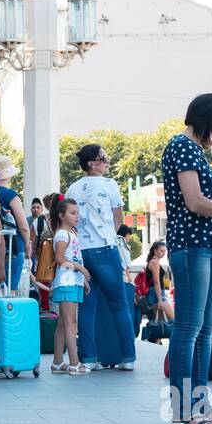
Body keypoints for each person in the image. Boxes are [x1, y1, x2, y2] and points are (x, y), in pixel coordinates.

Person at [162, 94, 212, 424]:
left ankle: (200, 403)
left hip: (207, 246)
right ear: (208, 122)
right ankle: (183, 408)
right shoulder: (182, 147)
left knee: (206, 329)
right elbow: (195, 201)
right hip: (191, 245)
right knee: (189, 327)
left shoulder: (194, 151)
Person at [65, 144, 137, 371]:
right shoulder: (110, 184)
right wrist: (106, 233)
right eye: (103, 158)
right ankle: (128, 357)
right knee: (119, 304)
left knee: (87, 307)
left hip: (83, 251)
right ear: (91, 163)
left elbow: (70, 221)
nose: (107, 161)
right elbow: (118, 218)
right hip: (106, 249)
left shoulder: (73, 188)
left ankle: (89, 358)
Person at [47, 197, 91, 375]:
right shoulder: (62, 234)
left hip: (72, 282)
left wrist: (83, 279)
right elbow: (60, 259)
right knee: (71, 323)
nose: (77, 216)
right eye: (72, 213)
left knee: (63, 324)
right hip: (66, 283)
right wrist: (80, 268)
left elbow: (71, 258)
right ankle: (74, 363)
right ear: (61, 215)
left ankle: (58, 362)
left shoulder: (70, 233)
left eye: (77, 213)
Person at [0, 154, 31, 292]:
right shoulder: (11, 195)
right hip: (13, 246)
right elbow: (23, 226)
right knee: (10, 293)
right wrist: (27, 244)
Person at [28, 198, 47, 273]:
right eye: (33, 207)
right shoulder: (26, 220)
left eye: (38, 207)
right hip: (31, 251)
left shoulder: (45, 221)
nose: (35, 209)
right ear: (31, 209)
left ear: (42, 209)